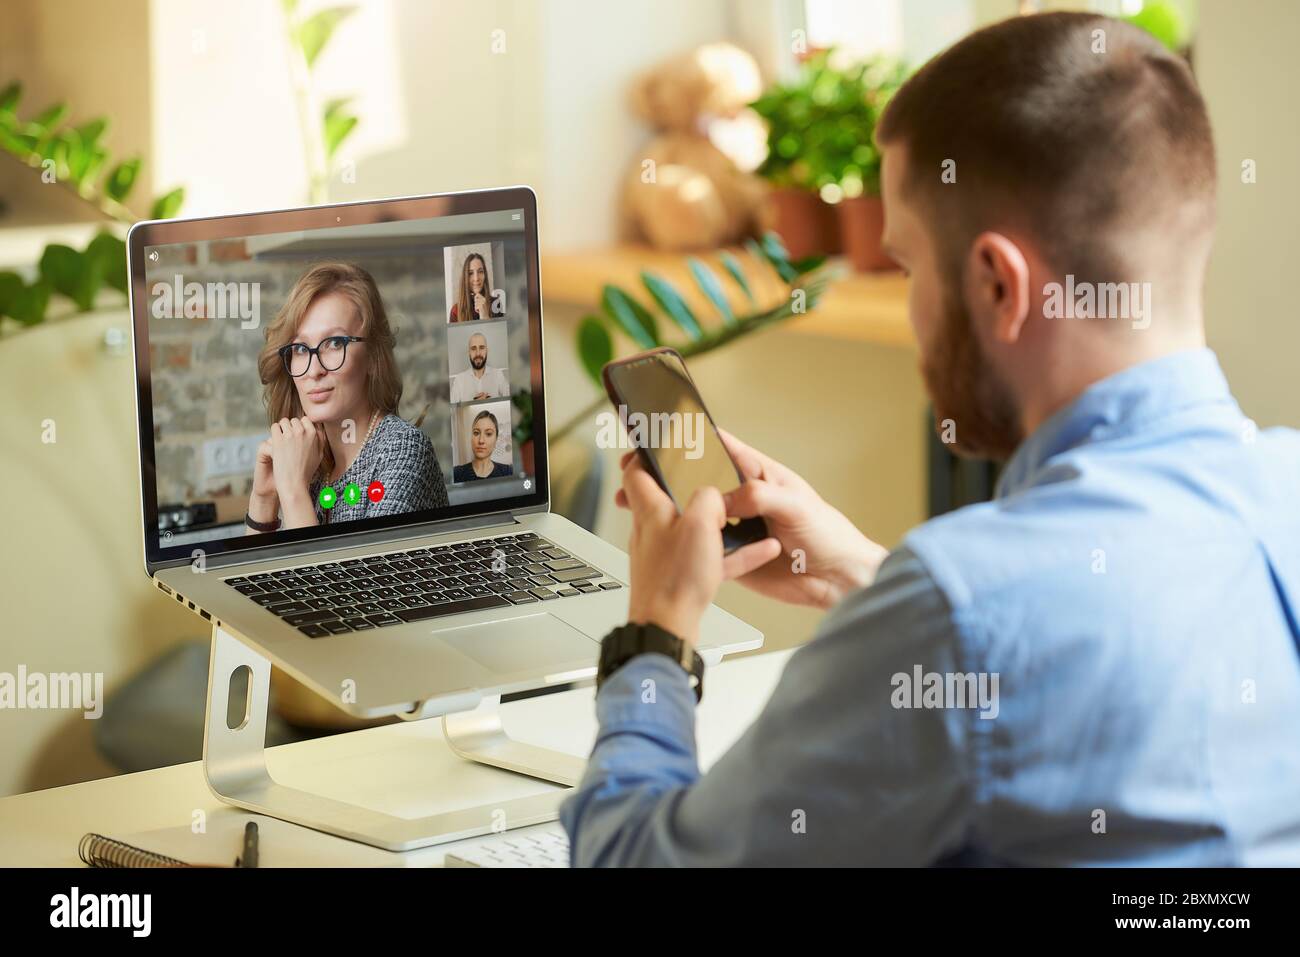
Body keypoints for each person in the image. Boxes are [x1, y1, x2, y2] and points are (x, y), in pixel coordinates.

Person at [559, 12, 1300, 866]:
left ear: (996, 283)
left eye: (909, 268)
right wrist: (865, 578)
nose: (911, 309)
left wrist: (654, 633)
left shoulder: (960, 608)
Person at [247, 262, 448, 532]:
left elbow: (339, 576)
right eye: (300, 348)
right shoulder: (311, 462)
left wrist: (293, 489)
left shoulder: (404, 451)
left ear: (372, 358)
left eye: (335, 344)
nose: (314, 371)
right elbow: (262, 574)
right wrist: (263, 500)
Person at [452, 410, 513, 482]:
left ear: (496, 439)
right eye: (476, 433)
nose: (481, 440)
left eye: (488, 434)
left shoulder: (508, 472)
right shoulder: (456, 473)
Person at [449, 332, 510, 403]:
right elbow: (451, 410)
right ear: (469, 352)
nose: (478, 353)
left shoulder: (498, 375)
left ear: (487, 350)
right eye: (473, 348)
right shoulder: (459, 380)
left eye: (481, 348)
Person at [448, 252, 504, 322]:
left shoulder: (496, 303)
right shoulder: (455, 311)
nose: (476, 278)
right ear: (465, 278)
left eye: (480, 271)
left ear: (485, 275)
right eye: (470, 273)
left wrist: (485, 316)